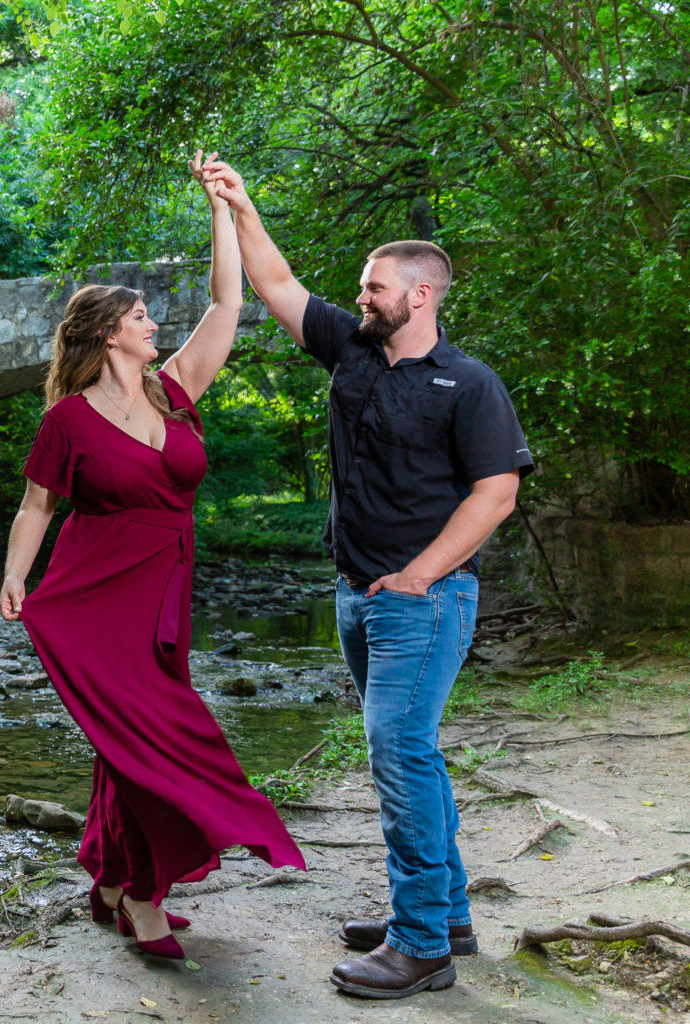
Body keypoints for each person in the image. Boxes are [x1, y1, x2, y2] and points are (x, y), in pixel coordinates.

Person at [200, 157, 534, 999]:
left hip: (424, 600)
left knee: (397, 751)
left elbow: (497, 494)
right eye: (361, 286)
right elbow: (272, 281)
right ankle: (447, 911)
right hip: (356, 592)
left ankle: (421, 944)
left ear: (420, 295)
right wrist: (239, 203)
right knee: (411, 751)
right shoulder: (350, 352)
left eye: (376, 286)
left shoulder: (471, 384)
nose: (363, 297)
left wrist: (419, 575)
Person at [0, 152, 307, 961]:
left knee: (129, 742)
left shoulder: (176, 391)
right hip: (92, 595)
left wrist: (223, 207)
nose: (152, 327)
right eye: (140, 319)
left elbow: (229, 300)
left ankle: (109, 877)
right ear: (108, 333)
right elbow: (37, 506)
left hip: (165, 592)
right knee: (151, 737)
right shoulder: (67, 421)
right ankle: (142, 896)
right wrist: (14, 576)